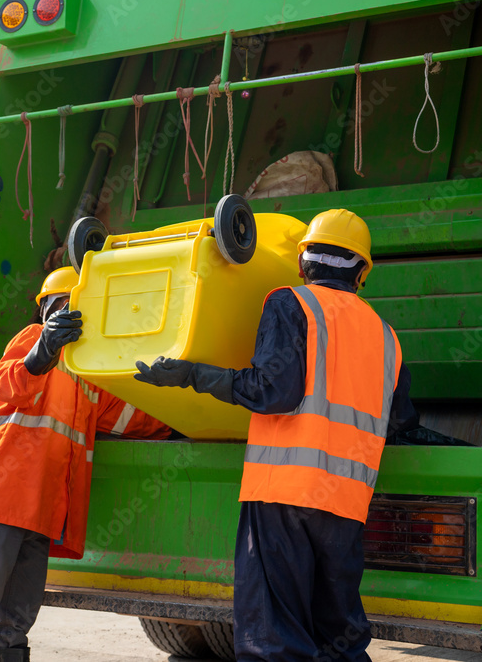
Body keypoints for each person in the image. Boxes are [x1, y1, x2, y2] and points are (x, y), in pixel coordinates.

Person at [134, 209, 419, 662]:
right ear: (362, 271)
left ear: (304, 262)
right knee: (339, 635)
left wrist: (193, 374)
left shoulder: (292, 303)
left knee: (276, 639)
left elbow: (273, 392)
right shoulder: (387, 336)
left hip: (283, 494)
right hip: (346, 503)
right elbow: (401, 421)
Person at [0, 266, 172, 662]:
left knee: (18, 614)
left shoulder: (89, 375)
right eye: (59, 307)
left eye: (74, 306)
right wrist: (44, 351)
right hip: (4, 500)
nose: (67, 314)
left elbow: (129, 418)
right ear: (45, 312)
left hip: (43, 511)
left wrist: (179, 412)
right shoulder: (30, 340)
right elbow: (6, 384)